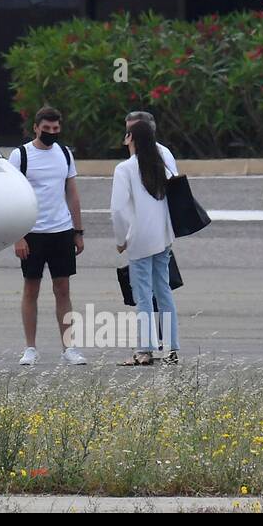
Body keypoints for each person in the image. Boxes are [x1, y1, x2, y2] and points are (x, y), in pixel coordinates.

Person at [9, 105, 86, 366]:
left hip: (61, 231)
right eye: (47, 128)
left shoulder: (64, 154)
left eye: (56, 128)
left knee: (62, 288)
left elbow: (72, 193)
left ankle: (69, 348)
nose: (52, 132)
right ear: (36, 127)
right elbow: (11, 197)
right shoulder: (20, 156)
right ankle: (30, 348)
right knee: (31, 288)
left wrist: (78, 231)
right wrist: (17, 236)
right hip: (32, 232)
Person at [111, 120, 179, 366]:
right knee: (164, 291)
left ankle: (144, 350)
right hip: (163, 236)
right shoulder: (162, 162)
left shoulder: (125, 169)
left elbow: (118, 210)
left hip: (139, 239)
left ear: (130, 138)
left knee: (143, 296)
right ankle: (171, 348)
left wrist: (121, 240)